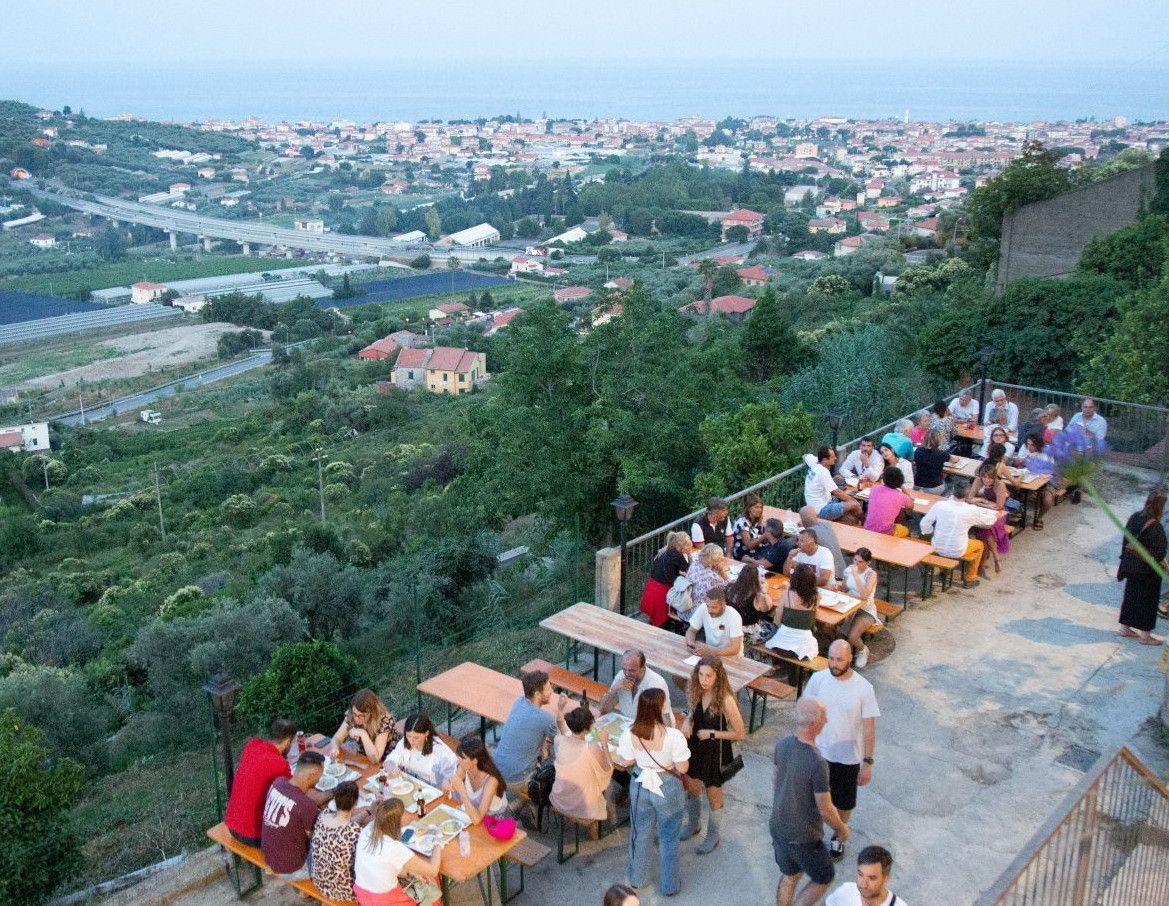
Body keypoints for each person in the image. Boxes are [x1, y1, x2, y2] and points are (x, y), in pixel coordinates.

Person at [804, 641, 879, 862]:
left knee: (844, 802)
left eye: (839, 659)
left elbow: (869, 729)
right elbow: (805, 711)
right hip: (818, 753)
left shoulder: (864, 688)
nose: (834, 664)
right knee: (813, 799)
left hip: (847, 757)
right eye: (831, 658)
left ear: (849, 658)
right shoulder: (818, 679)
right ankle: (812, 835)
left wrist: (867, 762)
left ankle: (839, 836)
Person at [771, 697, 850, 906]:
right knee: (824, 876)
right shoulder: (817, 763)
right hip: (804, 838)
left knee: (790, 875)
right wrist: (841, 829)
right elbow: (825, 809)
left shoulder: (782, 744)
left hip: (778, 827)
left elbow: (775, 780)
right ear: (814, 724)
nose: (827, 720)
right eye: (824, 717)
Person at [614, 688, 690, 897]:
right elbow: (682, 768)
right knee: (669, 837)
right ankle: (669, 885)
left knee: (639, 833)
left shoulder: (630, 733)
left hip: (640, 782)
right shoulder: (673, 736)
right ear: (661, 707)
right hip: (667, 784)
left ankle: (638, 878)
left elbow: (626, 761)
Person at [680, 656, 746, 855]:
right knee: (692, 786)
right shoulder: (696, 689)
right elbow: (693, 711)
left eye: (709, 675)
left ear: (718, 676)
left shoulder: (726, 699)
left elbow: (740, 733)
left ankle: (713, 835)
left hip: (715, 750)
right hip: (695, 745)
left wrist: (712, 734)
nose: (704, 679)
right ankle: (694, 824)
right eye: (700, 674)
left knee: (713, 793)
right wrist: (688, 720)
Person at [352, 798, 441, 906]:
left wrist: (411, 872)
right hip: (386, 901)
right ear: (396, 822)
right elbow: (433, 870)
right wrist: (438, 840)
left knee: (418, 876)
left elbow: (384, 865)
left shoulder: (369, 829)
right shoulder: (394, 847)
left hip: (363, 895)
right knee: (432, 885)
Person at [493, 670, 570, 792]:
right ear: (537, 694)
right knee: (559, 765)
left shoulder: (519, 701)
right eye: (548, 689)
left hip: (497, 771)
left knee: (543, 748)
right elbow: (564, 745)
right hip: (518, 779)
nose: (552, 692)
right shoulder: (546, 718)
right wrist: (560, 712)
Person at [225, 718, 297, 847]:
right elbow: (295, 793)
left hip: (232, 825)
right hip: (254, 836)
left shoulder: (252, 745)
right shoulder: (280, 764)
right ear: (287, 742)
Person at [919, 479, 999, 588]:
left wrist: (931, 532)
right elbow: (989, 522)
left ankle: (943, 571)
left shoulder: (940, 505)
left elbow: (924, 524)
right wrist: (995, 516)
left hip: (936, 546)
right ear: (967, 494)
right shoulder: (970, 510)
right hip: (958, 549)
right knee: (980, 545)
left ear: (953, 490)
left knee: (943, 540)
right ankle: (970, 578)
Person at [261, 750, 326, 882]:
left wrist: (332, 793)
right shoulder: (305, 805)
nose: (320, 779)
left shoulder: (278, 783)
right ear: (312, 775)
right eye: (320, 775)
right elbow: (317, 840)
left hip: (269, 855)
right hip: (292, 869)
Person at [1117, 489, 1167, 646]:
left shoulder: (1135, 517)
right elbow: (1159, 553)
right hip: (1147, 572)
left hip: (1131, 567)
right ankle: (1145, 637)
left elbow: (1126, 540)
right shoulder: (1156, 526)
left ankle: (1124, 629)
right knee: (1148, 603)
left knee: (1130, 598)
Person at [551, 706, 614, 825]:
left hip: (559, 799)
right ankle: (597, 826)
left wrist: (560, 709)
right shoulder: (591, 748)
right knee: (602, 782)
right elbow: (609, 769)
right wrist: (604, 743)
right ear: (586, 729)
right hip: (583, 808)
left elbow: (562, 732)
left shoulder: (559, 740)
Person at [310, 780, 369, 903]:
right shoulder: (354, 832)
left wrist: (368, 812)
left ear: (335, 800)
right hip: (342, 890)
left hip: (319, 880)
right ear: (356, 802)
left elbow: (345, 823)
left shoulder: (323, 815)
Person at [766, 563, 821, 672]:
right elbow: (813, 621)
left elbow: (777, 621)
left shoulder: (787, 594)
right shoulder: (816, 597)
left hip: (780, 646)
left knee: (773, 626)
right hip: (804, 649)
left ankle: (776, 664)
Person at [382, 713, 458, 788]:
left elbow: (452, 772)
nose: (411, 741)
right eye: (408, 736)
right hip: (410, 785)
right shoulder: (405, 742)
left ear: (426, 733)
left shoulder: (440, 750)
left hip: (433, 790)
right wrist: (392, 767)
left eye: (416, 738)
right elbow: (393, 757)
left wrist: (447, 781)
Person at [445, 736, 509, 823]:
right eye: (458, 757)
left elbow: (477, 820)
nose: (459, 761)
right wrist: (446, 783)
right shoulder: (463, 768)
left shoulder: (491, 781)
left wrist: (462, 790)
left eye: (463, 758)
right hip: (474, 813)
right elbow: (448, 790)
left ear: (475, 761)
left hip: (496, 820)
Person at [599, 649, 672, 722]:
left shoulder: (656, 684)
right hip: (627, 723)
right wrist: (613, 690)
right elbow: (603, 710)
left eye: (632, 670)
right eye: (624, 669)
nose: (627, 674)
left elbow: (665, 719)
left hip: (648, 726)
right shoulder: (621, 676)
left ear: (642, 669)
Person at [639, 532, 693, 627]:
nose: (690, 547)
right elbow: (689, 569)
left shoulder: (664, 551)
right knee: (663, 623)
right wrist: (689, 555)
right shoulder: (677, 556)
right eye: (688, 545)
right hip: (662, 593)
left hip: (652, 588)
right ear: (681, 545)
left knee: (656, 621)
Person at [331, 689, 398, 765]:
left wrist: (363, 734)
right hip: (363, 756)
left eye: (361, 716)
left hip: (386, 761)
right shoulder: (352, 715)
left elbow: (375, 759)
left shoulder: (384, 720)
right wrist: (335, 747)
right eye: (354, 714)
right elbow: (336, 738)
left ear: (371, 712)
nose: (356, 718)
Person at [838, 549, 880, 668]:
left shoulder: (871, 575)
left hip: (865, 609)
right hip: (849, 605)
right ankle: (843, 652)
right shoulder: (849, 570)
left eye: (860, 562)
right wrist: (842, 583)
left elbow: (865, 595)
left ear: (868, 563)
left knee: (852, 636)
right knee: (830, 627)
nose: (856, 564)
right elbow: (845, 589)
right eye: (855, 560)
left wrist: (855, 575)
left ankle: (863, 650)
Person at [825, 845, 904, 906]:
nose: (863, 885)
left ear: (886, 879)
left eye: (872, 878)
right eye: (861, 875)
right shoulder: (845, 891)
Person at [803, 448, 863, 525]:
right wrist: (854, 500)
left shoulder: (814, 462)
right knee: (854, 504)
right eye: (832, 457)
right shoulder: (822, 471)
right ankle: (867, 524)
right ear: (825, 459)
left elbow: (805, 456)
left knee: (852, 520)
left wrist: (831, 479)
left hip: (820, 505)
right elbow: (838, 493)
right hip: (821, 510)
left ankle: (861, 525)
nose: (835, 458)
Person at [970, 461, 1010, 575]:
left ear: (994, 477)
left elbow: (999, 506)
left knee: (986, 528)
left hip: (997, 514)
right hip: (980, 511)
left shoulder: (1000, 485)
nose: (987, 480)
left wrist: (981, 502)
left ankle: (982, 563)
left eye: (990, 478)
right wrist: (985, 502)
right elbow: (970, 497)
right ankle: (993, 559)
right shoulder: (978, 481)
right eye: (985, 477)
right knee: (984, 528)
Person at [685, 585, 744, 657]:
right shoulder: (703, 608)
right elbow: (691, 631)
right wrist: (690, 643)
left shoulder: (734, 616)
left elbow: (735, 649)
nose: (709, 611)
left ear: (723, 604)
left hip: (731, 656)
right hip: (710, 654)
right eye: (708, 606)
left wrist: (710, 651)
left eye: (714, 607)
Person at [1014, 434, 1056, 529]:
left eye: (1032, 445)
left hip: (1044, 480)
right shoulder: (1024, 448)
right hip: (1026, 477)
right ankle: (1018, 514)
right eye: (1028, 444)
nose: (1029, 447)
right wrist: (1018, 461)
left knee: (1048, 500)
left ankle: (1039, 517)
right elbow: (1017, 464)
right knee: (1014, 490)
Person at [682, 543, 731, 622]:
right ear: (714, 560)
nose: (721, 560)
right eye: (720, 559)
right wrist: (722, 571)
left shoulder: (695, 564)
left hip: (685, 608)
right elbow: (729, 586)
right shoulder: (712, 578)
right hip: (696, 614)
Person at [863, 466, 913, 538]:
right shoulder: (901, 496)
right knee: (906, 530)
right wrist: (903, 488)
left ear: (884, 478)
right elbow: (911, 506)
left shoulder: (874, 488)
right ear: (900, 481)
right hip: (886, 533)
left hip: (868, 528)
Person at [726, 560, 775, 629]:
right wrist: (764, 591)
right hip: (747, 629)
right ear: (756, 578)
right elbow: (767, 609)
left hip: (731, 624)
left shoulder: (730, 587)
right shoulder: (758, 596)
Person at [800, 506, 846, 581]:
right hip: (842, 572)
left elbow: (801, 548)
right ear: (816, 516)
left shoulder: (810, 534)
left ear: (803, 522)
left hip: (831, 577)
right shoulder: (827, 525)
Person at [913, 429, 951, 495]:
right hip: (934, 487)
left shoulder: (918, 450)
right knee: (949, 485)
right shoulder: (942, 454)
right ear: (939, 441)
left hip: (917, 485)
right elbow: (955, 460)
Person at [732, 493, 767, 561]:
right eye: (756, 507)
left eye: (761, 507)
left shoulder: (757, 519)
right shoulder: (742, 522)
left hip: (758, 551)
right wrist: (764, 536)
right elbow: (749, 545)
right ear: (749, 508)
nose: (760, 510)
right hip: (744, 554)